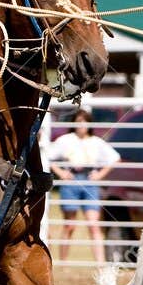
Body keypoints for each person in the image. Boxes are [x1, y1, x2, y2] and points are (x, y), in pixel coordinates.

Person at [43, 110, 120, 263]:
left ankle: (100, 263)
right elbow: (47, 155)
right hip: (71, 180)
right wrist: (61, 172)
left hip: (89, 180)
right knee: (69, 225)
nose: (82, 125)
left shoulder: (96, 142)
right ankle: (63, 262)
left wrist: (100, 174)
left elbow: (115, 158)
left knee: (93, 224)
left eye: (85, 122)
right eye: (78, 121)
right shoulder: (65, 140)